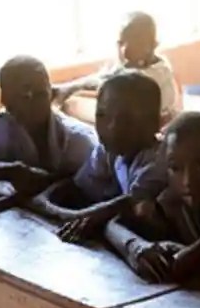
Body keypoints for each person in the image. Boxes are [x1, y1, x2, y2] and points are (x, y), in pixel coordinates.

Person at [104, 112, 200, 283]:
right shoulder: (172, 204)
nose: (188, 180)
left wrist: (167, 249)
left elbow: (182, 265)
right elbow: (113, 224)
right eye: (175, 168)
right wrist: (135, 247)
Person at [35, 72, 168, 244]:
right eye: (102, 115)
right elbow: (80, 187)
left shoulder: (158, 160)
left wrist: (94, 216)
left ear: (155, 124)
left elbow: (129, 203)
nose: (111, 128)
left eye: (126, 120)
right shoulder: (109, 150)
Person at [0, 55, 97, 202]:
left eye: (41, 94)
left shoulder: (79, 141)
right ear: (5, 99)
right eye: (24, 95)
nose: (34, 102)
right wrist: (8, 171)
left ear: (50, 93)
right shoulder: (5, 125)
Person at [52, 11, 180, 122]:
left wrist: (74, 91)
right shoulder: (130, 63)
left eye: (132, 42)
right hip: (125, 111)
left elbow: (109, 87)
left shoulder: (157, 74)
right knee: (71, 101)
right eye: (120, 43)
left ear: (151, 46)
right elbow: (102, 77)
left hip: (147, 123)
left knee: (72, 105)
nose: (123, 50)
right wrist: (66, 88)